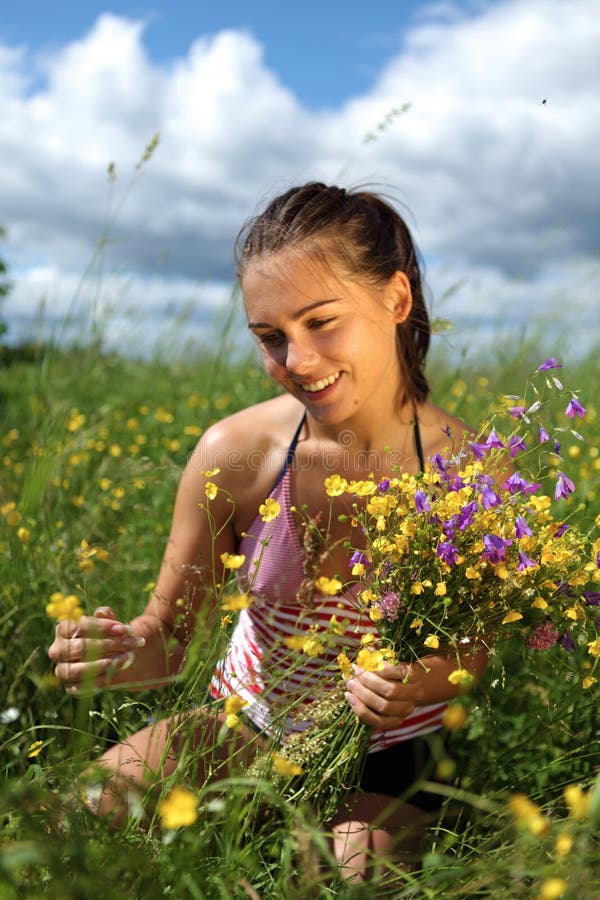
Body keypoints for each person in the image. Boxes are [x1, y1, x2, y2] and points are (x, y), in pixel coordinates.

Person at [49, 182, 487, 882]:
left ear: (395, 300)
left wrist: (418, 681)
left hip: (387, 749)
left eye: (321, 322)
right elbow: (167, 639)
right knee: (83, 814)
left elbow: (474, 653)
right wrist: (119, 653)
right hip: (243, 721)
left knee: (343, 879)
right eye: (270, 337)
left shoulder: (468, 472)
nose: (299, 359)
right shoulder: (237, 454)